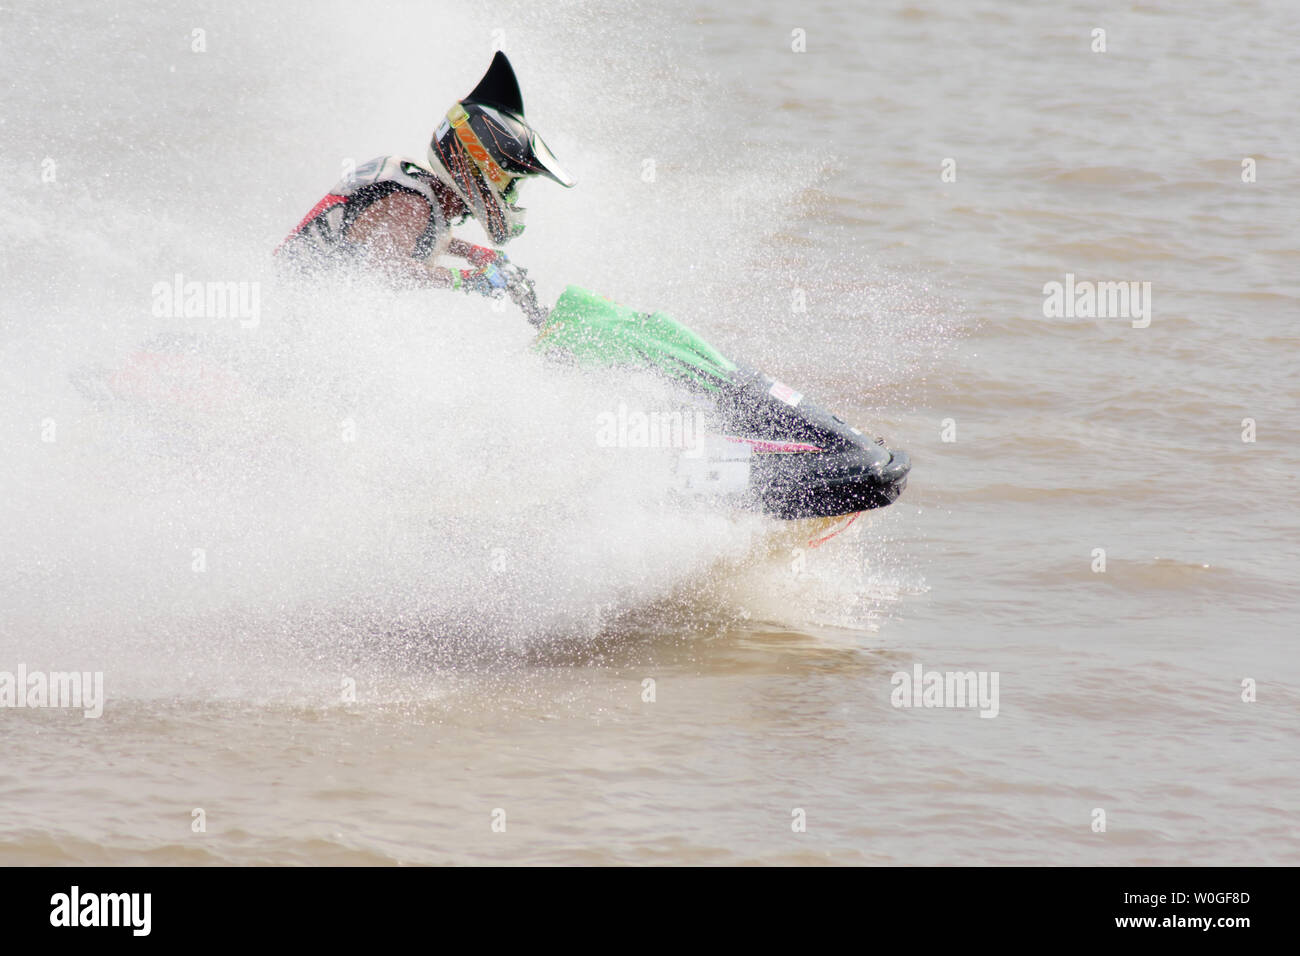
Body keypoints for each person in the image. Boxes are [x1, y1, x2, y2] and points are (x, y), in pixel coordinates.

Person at [275, 51, 574, 305]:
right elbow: (388, 267)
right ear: (481, 167)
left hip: (302, 293)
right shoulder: (412, 204)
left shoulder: (420, 186)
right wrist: (468, 279)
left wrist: (471, 252)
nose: (511, 195)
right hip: (299, 304)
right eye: (510, 184)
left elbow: (407, 234)